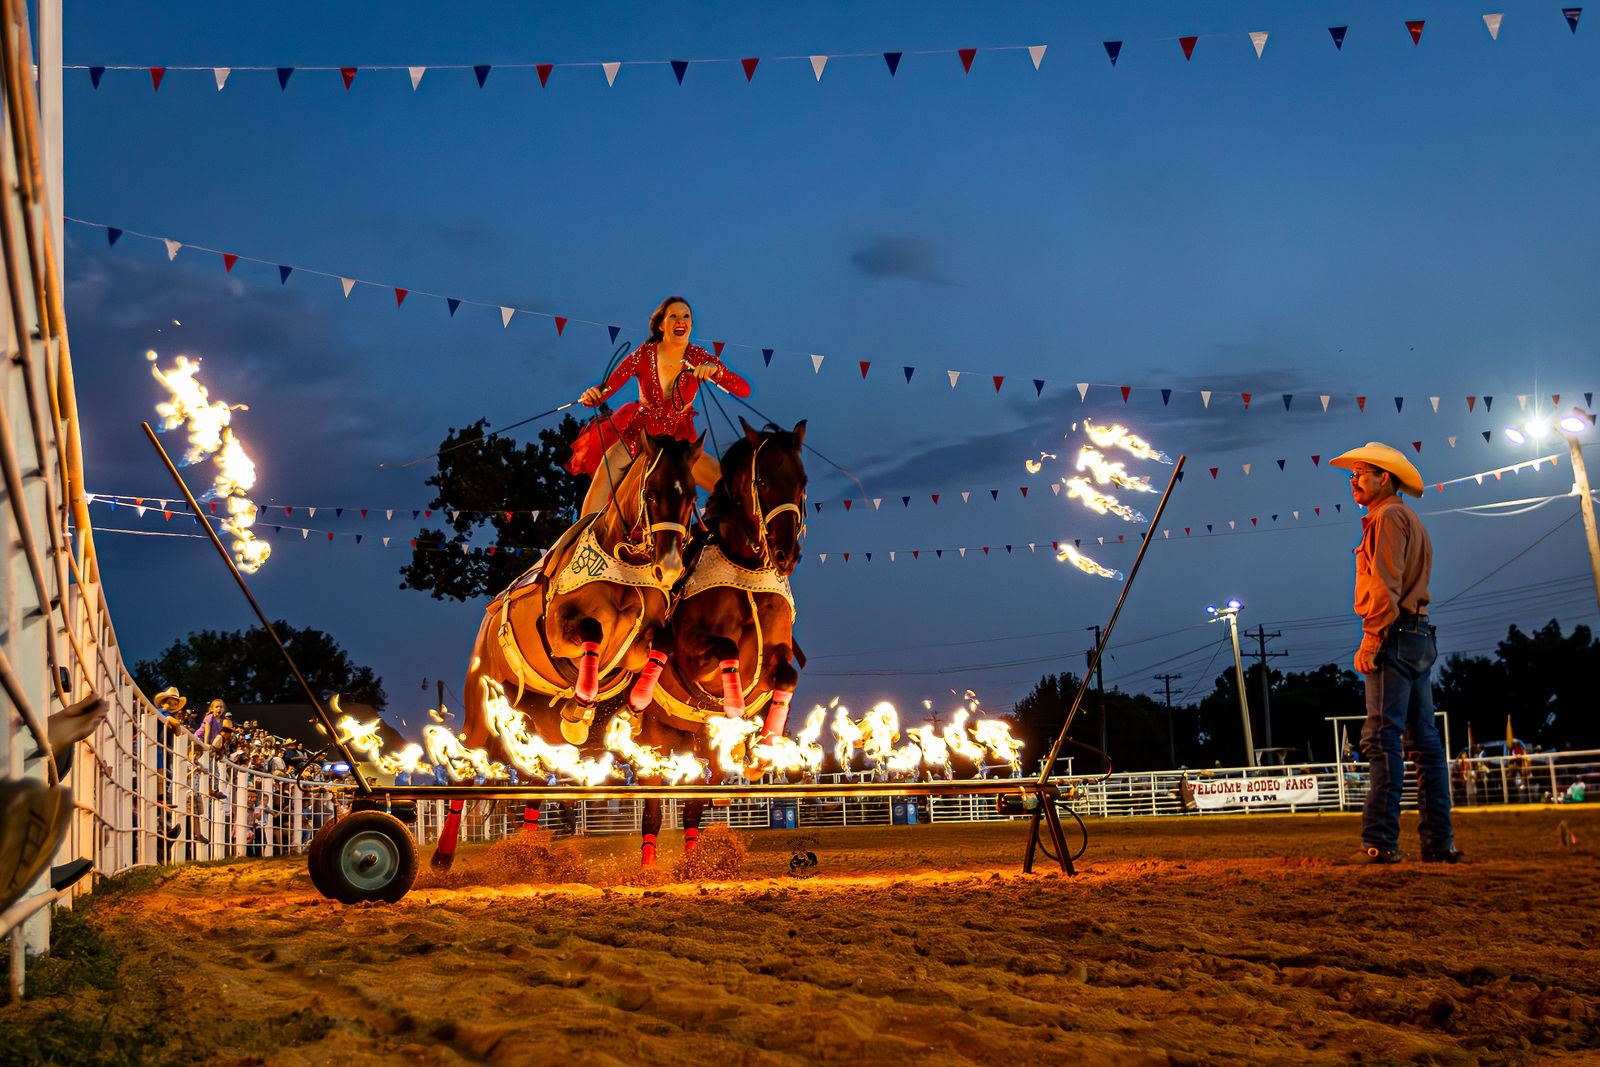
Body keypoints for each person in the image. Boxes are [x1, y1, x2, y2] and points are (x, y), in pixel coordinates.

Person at [1330, 442, 1460, 864]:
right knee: (1425, 743)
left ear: (1384, 477)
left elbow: (1384, 584)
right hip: (1420, 635)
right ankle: (1439, 842)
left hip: (1393, 635)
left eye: (1360, 473)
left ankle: (1380, 840)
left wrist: (1371, 638)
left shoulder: (1386, 519)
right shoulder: (1411, 519)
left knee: (1382, 738)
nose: (1353, 480)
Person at [568, 295, 750, 518]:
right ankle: (583, 544)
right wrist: (592, 395)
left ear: (691, 325)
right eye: (673, 316)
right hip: (641, 436)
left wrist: (716, 371)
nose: (680, 321)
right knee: (602, 480)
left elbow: (743, 390)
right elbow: (607, 389)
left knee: (727, 489)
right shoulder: (643, 355)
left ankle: (714, 546)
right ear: (661, 324)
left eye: (686, 316)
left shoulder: (699, 356)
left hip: (680, 441)